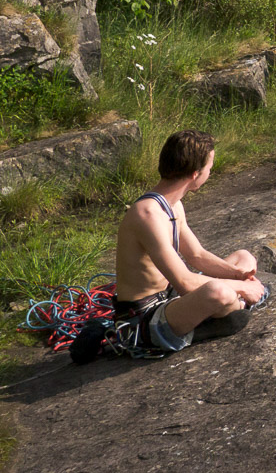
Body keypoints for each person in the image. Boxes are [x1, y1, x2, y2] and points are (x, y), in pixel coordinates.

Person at [109, 129, 266, 356]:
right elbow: (184, 282)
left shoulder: (173, 206)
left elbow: (197, 256)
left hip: (173, 299)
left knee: (243, 258)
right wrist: (243, 287)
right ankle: (226, 311)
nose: (210, 171)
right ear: (195, 173)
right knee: (219, 293)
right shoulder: (147, 214)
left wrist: (236, 275)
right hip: (144, 318)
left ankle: (226, 310)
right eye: (209, 167)